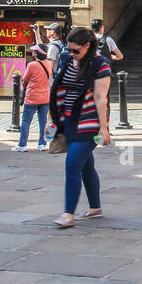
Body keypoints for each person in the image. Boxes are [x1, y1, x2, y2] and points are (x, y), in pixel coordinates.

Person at [50, 27, 112, 228]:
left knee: (73, 163)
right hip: (69, 119)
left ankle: (68, 214)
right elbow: (59, 88)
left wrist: (104, 128)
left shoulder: (100, 64)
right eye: (69, 49)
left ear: (88, 46)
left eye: (76, 50)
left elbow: (100, 97)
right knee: (86, 165)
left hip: (89, 121)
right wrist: (54, 119)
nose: (71, 53)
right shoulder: (68, 60)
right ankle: (95, 208)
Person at [14, 44, 52, 151]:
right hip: (45, 96)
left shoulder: (31, 65)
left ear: (36, 54)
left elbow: (25, 79)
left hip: (32, 97)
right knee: (43, 121)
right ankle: (42, 144)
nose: (32, 53)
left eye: (34, 51)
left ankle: (22, 145)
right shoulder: (49, 63)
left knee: (26, 121)